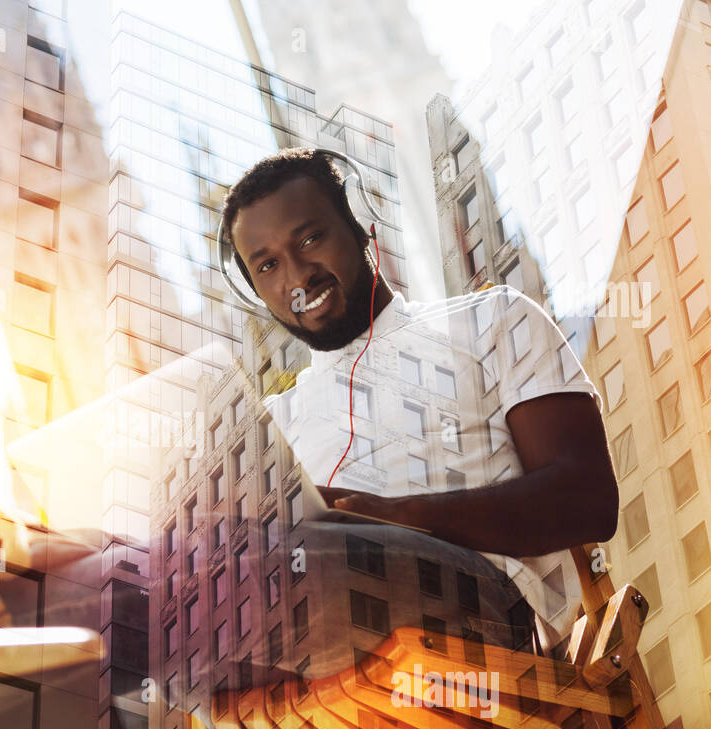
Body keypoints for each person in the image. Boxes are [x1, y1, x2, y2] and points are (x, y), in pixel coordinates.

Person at [221, 147, 618, 659]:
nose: (297, 277)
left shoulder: (493, 319)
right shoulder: (267, 429)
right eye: (268, 265)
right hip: (318, 670)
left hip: (487, 636)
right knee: (113, 582)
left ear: (361, 224)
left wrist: (396, 519)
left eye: (311, 238)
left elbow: (587, 496)